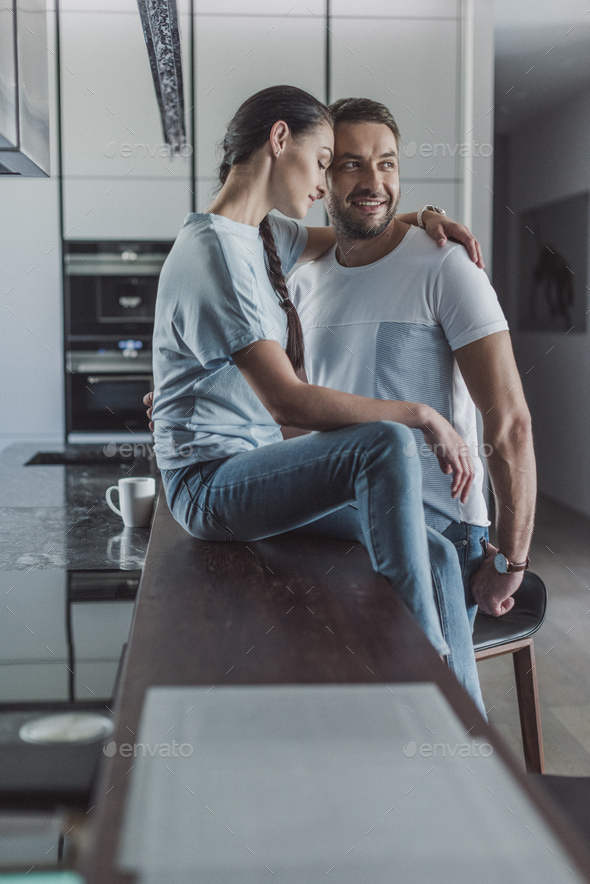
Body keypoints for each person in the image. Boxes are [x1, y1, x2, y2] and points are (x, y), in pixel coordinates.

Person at [148, 84, 483, 678]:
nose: (327, 182)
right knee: (382, 442)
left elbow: (359, 232)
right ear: (280, 140)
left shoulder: (262, 237)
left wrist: (422, 217)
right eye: (326, 162)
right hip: (209, 486)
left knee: (437, 553)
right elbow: (286, 399)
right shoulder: (214, 251)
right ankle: (422, 659)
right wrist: (423, 415)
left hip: (249, 468)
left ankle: (467, 731)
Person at [288, 97, 537, 708]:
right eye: (351, 165)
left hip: (441, 534)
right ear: (322, 176)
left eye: (387, 164)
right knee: (362, 710)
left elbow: (509, 426)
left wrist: (511, 558)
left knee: (438, 713)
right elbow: (295, 399)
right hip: (342, 529)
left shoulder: (447, 267)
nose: (375, 183)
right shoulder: (305, 275)